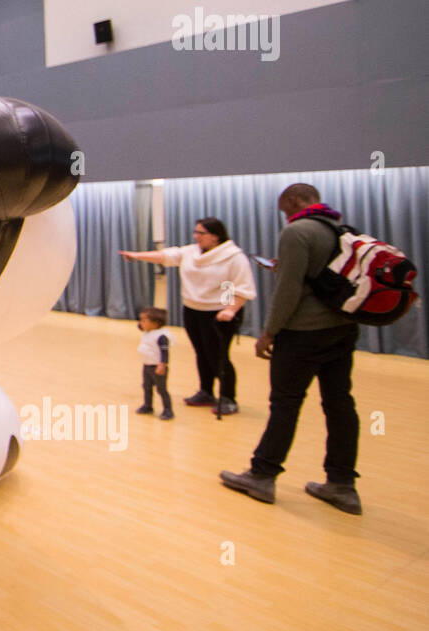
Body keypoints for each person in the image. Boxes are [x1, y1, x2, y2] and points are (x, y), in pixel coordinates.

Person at [220, 184, 363, 514]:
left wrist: (268, 333)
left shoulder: (297, 230)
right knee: (340, 403)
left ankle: (262, 475)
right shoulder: (340, 229)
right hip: (342, 330)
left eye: (285, 209)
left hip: (303, 334)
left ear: (296, 202)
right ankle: (342, 485)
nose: (286, 215)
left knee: (285, 403)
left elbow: (289, 290)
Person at [121, 217, 256, 414]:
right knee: (201, 353)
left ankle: (228, 398)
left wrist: (230, 309)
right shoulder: (191, 252)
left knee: (217, 356)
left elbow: (237, 286)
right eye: (196, 232)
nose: (196, 236)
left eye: (201, 233)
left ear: (215, 236)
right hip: (193, 310)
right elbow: (165, 256)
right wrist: (137, 256)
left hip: (219, 314)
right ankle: (206, 392)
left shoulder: (232, 257)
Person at [136, 307, 174, 419]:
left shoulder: (161, 336)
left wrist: (163, 365)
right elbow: (139, 326)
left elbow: (165, 352)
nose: (140, 323)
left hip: (157, 367)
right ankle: (148, 406)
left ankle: (168, 410)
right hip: (146, 366)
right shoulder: (147, 331)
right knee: (146, 387)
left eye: (144, 320)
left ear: (155, 323)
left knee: (161, 389)